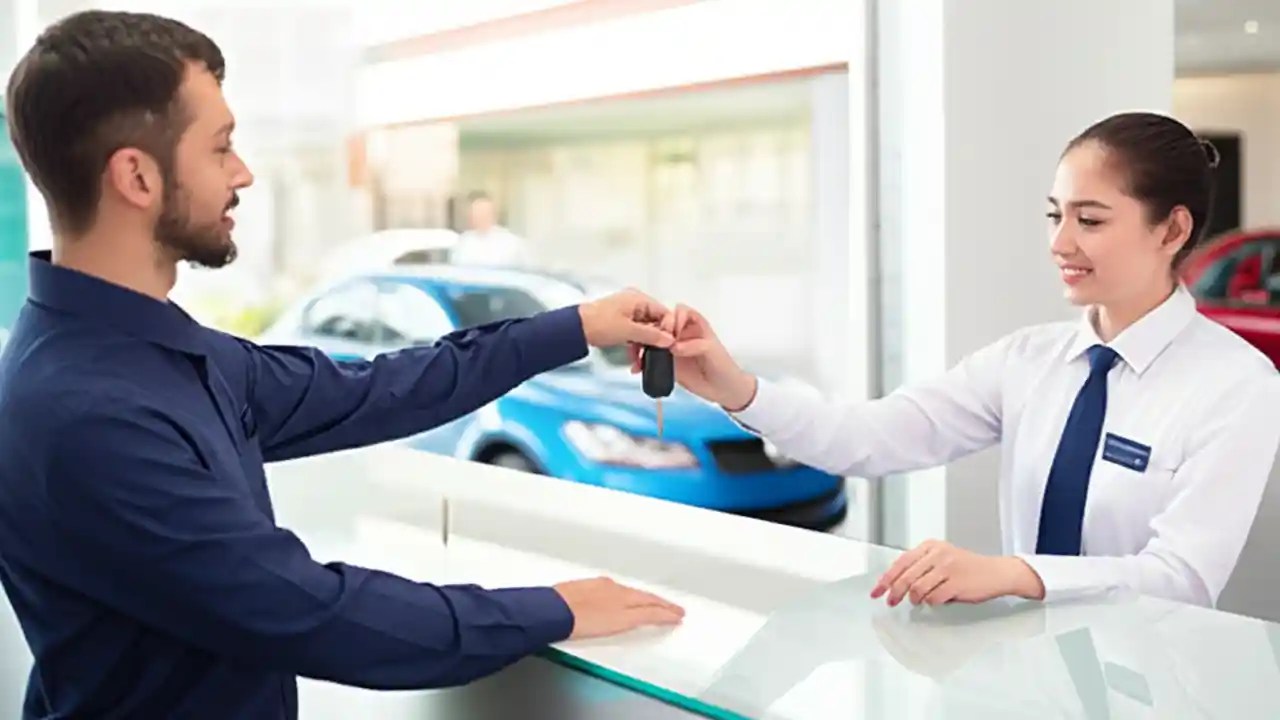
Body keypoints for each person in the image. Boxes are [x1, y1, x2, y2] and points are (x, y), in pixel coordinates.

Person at [0, 11, 683, 720]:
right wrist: (555, 609)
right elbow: (313, 615)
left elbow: (378, 390)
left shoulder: (156, 352)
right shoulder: (87, 412)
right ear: (136, 177)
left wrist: (575, 327)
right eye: (221, 148)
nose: (244, 173)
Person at [660, 111, 1280, 611]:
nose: (1060, 243)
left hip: (1156, 689)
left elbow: (1182, 579)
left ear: (1172, 231)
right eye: (1054, 215)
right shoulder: (1029, 360)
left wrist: (1012, 575)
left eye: (1089, 220)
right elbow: (866, 438)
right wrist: (735, 388)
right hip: (1027, 679)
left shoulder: (1236, 386)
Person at [452, 190, 535, 268]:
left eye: (485, 213)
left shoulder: (512, 242)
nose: (481, 217)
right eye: (477, 214)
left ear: (494, 215)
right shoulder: (464, 241)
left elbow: (528, 272)